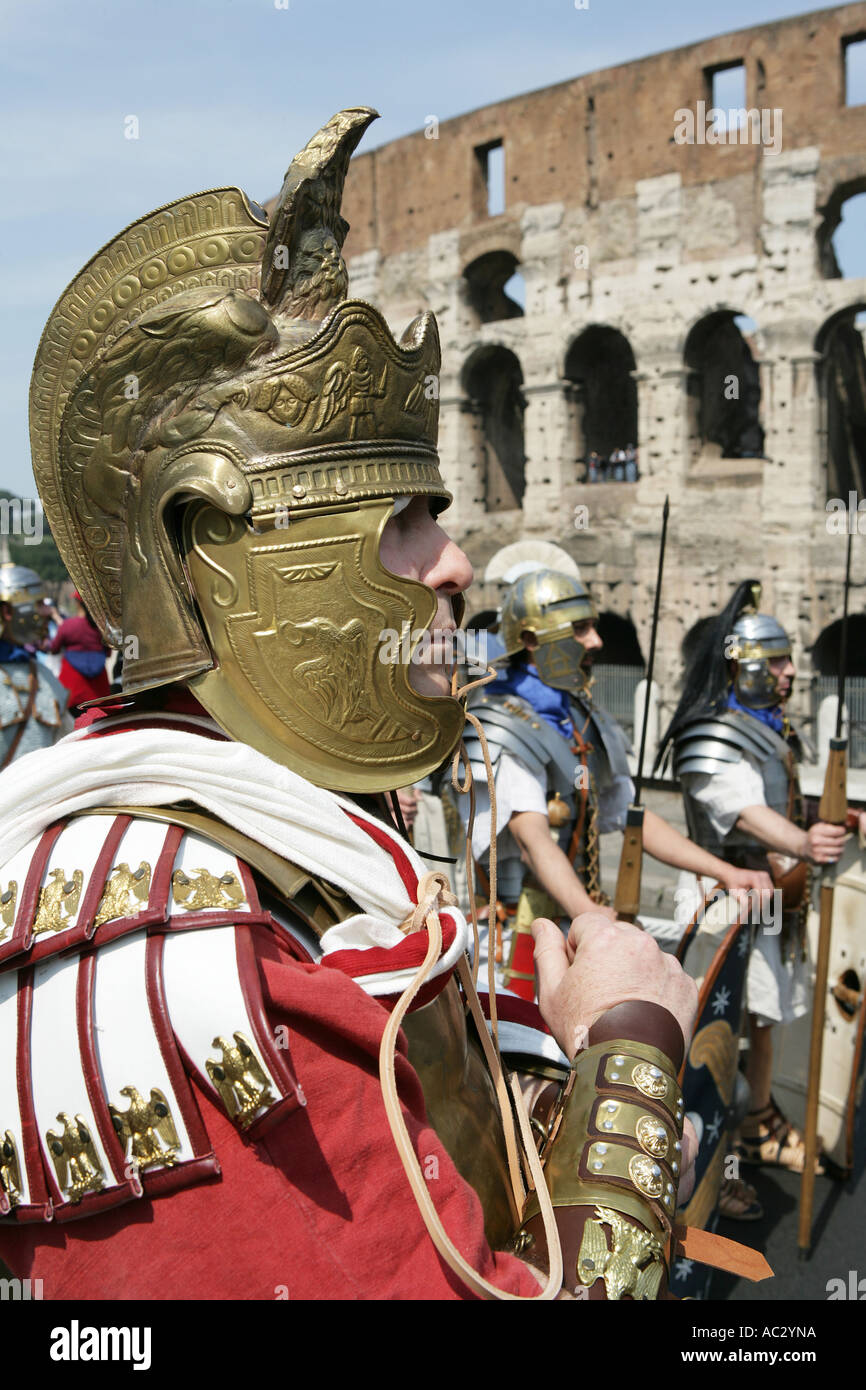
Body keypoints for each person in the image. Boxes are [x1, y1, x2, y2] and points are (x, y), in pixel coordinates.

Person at [0, 108, 705, 1302]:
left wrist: (554, 1080)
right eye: (401, 521)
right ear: (223, 555)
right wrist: (634, 1040)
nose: (454, 563)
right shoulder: (169, 959)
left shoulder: (281, 847)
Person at [460, 568, 772, 1001]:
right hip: (514, 937)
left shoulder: (580, 718)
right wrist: (594, 919)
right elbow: (532, 840)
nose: (596, 642)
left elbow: (633, 821)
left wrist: (726, 873)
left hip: (577, 925)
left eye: (594, 628)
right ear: (531, 639)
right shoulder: (499, 725)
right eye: (581, 629)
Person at [658, 580, 866, 1176]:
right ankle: (699, 1155)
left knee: (764, 1020)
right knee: (713, 1031)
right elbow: (741, 809)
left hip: (770, 899)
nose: (790, 671)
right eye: (775, 661)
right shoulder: (710, 732)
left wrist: (831, 821)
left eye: (789, 658)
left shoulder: (769, 727)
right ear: (741, 666)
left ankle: (755, 1127)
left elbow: (781, 803)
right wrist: (803, 842)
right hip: (722, 898)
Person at [0, 553, 67, 768]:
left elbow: (64, 751)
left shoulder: (44, 676)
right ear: (8, 611)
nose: (47, 611)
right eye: (39, 604)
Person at [48, 592, 110, 709]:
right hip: (99, 688)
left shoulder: (68, 625)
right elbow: (108, 653)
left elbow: (54, 649)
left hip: (73, 687)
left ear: (78, 604)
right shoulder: (101, 627)